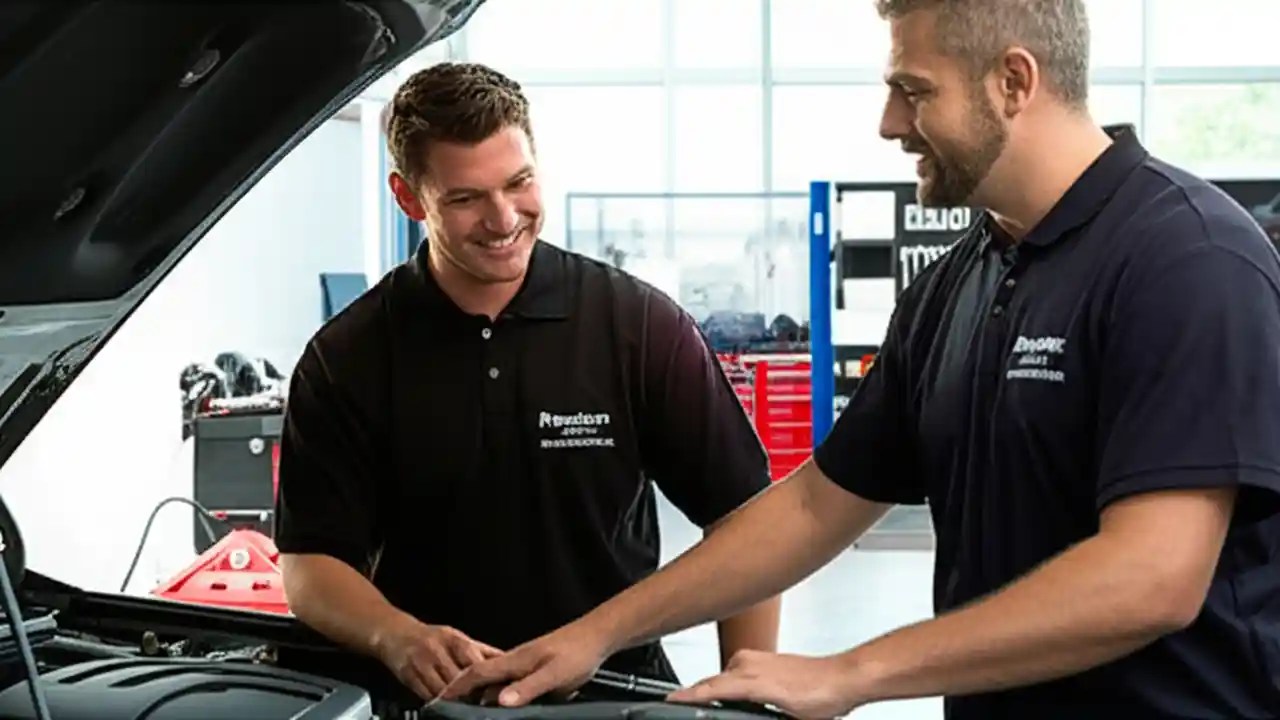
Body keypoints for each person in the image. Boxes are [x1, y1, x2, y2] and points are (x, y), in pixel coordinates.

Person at [440, 2, 1280, 718]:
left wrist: (850, 672)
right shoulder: (964, 277)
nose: (890, 123)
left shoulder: (1186, 262)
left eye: (913, 91)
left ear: (1014, 83)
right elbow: (815, 505)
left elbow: (1152, 577)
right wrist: (596, 634)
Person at [272, 62, 781, 704]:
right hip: (435, 701)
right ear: (409, 198)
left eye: (519, 183)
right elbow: (311, 564)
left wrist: (745, 692)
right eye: (465, 198)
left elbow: (746, 518)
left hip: (613, 693)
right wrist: (395, 636)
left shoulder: (637, 325)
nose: (504, 217)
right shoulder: (348, 356)